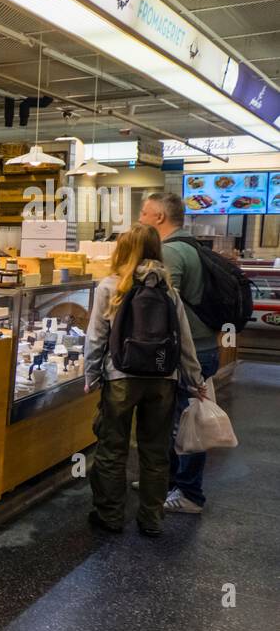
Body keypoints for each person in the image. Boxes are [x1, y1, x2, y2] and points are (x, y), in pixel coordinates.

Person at [84, 223, 206, 538]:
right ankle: (151, 518)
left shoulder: (110, 286)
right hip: (163, 378)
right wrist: (195, 378)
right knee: (155, 451)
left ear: (123, 250)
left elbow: (96, 337)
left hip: (121, 378)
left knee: (113, 448)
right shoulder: (168, 290)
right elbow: (184, 340)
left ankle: (110, 514)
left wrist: (91, 374)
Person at [138, 192, 218, 515]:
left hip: (192, 350)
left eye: (144, 212)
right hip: (205, 345)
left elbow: (165, 308)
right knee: (182, 418)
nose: (140, 218)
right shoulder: (192, 246)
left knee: (188, 422)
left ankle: (189, 493)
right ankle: (169, 481)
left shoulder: (169, 252)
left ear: (159, 217)